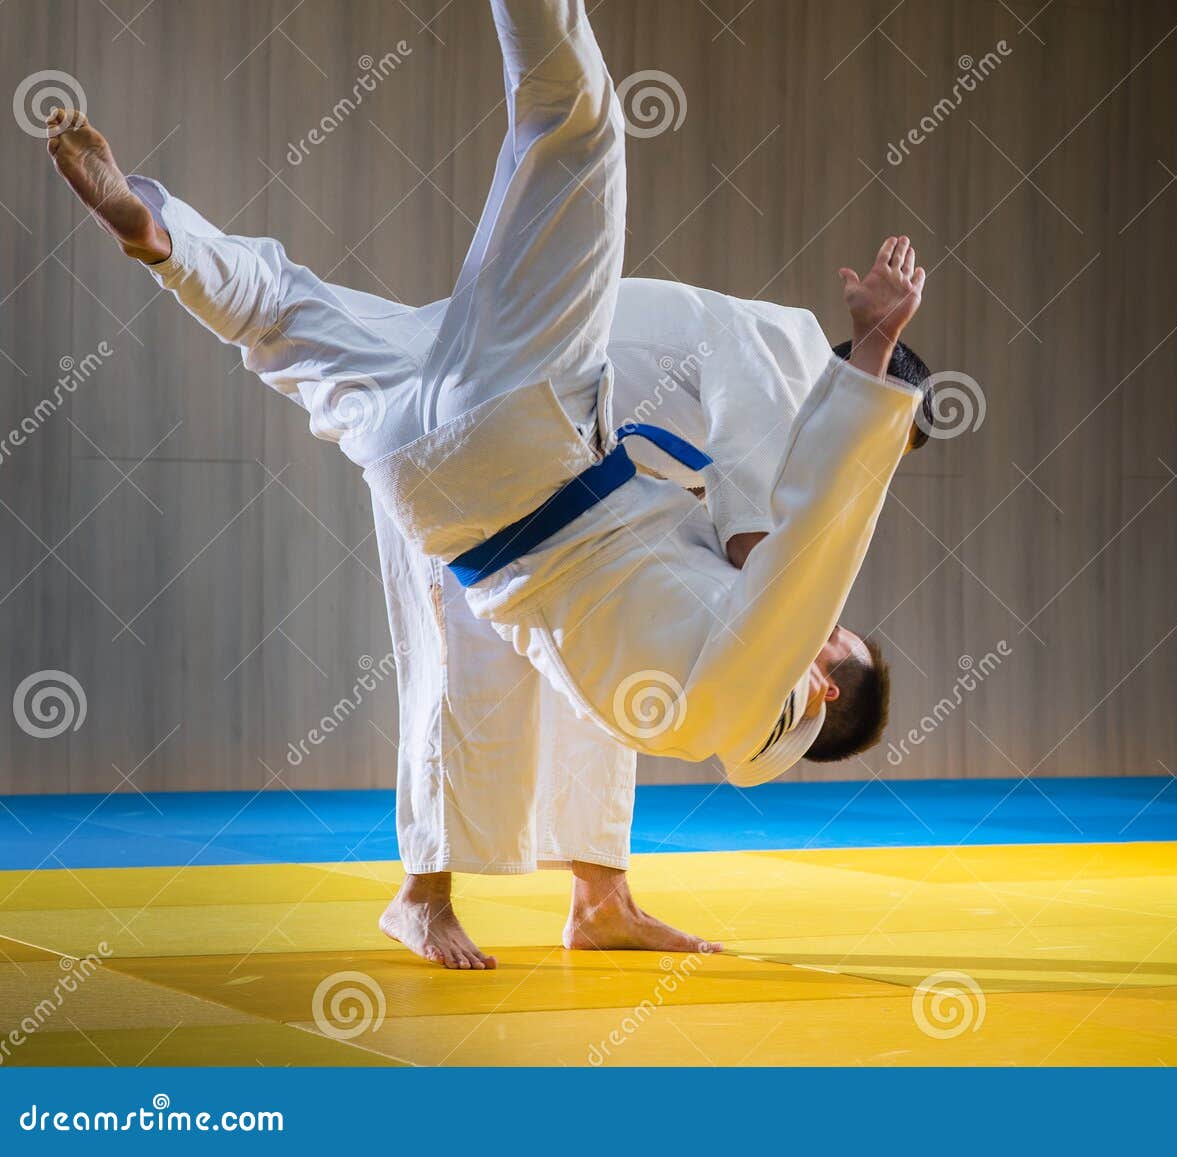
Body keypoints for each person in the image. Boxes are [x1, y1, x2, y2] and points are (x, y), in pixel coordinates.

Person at [45, 0, 929, 968]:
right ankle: (166, 244)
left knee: (581, 129)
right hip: (458, 493)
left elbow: (801, 544)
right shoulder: (699, 681)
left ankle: (580, 895)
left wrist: (875, 346)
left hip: (528, 418)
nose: (828, 617)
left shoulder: (752, 649)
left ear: (813, 685)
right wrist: (840, 416)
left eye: (832, 633)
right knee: (288, 324)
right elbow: (786, 538)